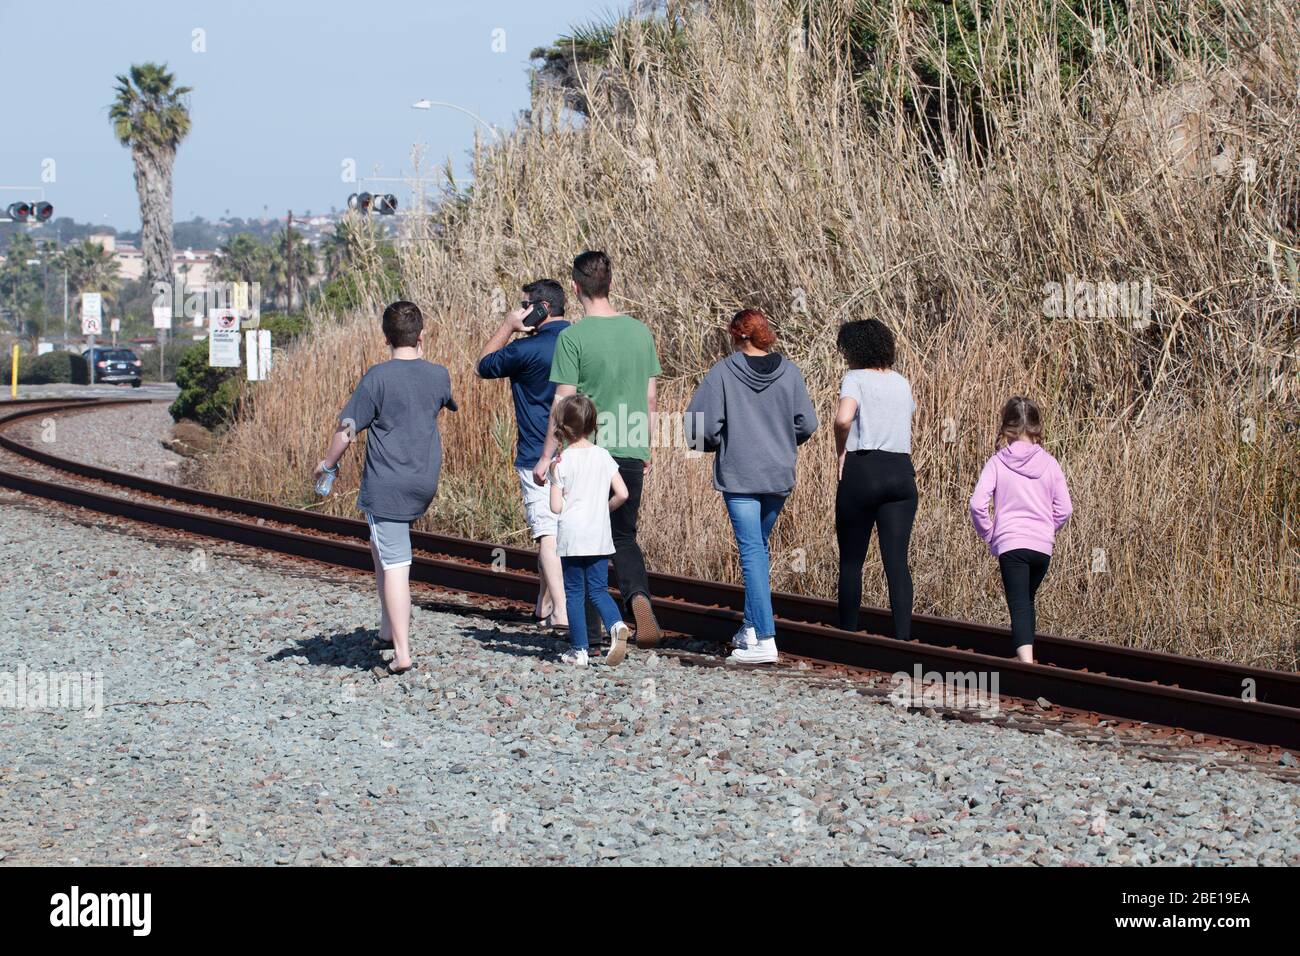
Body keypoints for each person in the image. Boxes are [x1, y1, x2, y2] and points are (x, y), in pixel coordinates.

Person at [314, 300, 457, 674]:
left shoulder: (377, 378)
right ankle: (385, 628)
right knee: (382, 551)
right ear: (422, 335)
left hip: (388, 484)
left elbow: (347, 430)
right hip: (423, 480)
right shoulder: (439, 375)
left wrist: (327, 465)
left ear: (384, 337)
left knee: (395, 565)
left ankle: (402, 651)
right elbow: (438, 400)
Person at [534, 250, 663, 648]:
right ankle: (638, 597)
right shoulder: (640, 332)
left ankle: (588, 632)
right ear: (611, 284)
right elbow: (651, 395)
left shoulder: (573, 337)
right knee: (623, 536)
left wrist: (547, 456)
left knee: (580, 540)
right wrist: (645, 444)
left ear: (574, 288)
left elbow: (563, 401)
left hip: (584, 452)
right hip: (628, 447)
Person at [684, 309, 817, 664]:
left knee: (752, 553)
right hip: (778, 474)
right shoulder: (790, 372)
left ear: (739, 336)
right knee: (758, 548)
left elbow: (700, 427)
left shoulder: (723, 373)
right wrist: (782, 439)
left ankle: (765, 642)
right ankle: (750, 627)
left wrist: (714, 442)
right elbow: (807, 423)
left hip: (741, 474)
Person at [476, 279, 572, 630]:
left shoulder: (525, 349)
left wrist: (507, 326)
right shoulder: (581, 342)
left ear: (542, 309)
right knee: (564, 532)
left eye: (525, 305)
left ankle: (561, 611)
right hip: (583, 453)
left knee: (547, 534)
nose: (520, 310)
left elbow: (483, 364)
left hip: (537, 455)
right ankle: (544, 605)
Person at [968, 396, 1073, 663]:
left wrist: (991, 534)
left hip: (1012, 544)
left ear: (1006, 429)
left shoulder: (997, 462)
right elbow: (1065, 509)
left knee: (1019, 603)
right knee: (1026, 600)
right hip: (1042, 548)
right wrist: (1047, 530)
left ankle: (1026, 664)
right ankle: (1024, 656)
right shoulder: (1051, 463)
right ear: (1037, 429)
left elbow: (977, 504)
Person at [833, 318, 917, 638]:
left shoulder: (854, 378)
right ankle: (903, 639)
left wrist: (840, 450)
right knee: (896, 562)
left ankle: (848, 636)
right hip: (900, 473)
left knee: (852, 560)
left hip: (862, 471)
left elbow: (843, 419)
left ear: (854, 350)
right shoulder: (902, 382)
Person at [547, 394, 632, 667]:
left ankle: (579, 651)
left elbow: (556, 507)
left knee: (574, 592)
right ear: (593, 425)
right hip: (598, 534)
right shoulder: (603, 456)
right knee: (597, 589)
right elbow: (622, 493)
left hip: (572, 536)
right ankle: (616, 624)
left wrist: (552, 476)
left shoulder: (561, 462)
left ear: (563, 427)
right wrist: (602, 509)